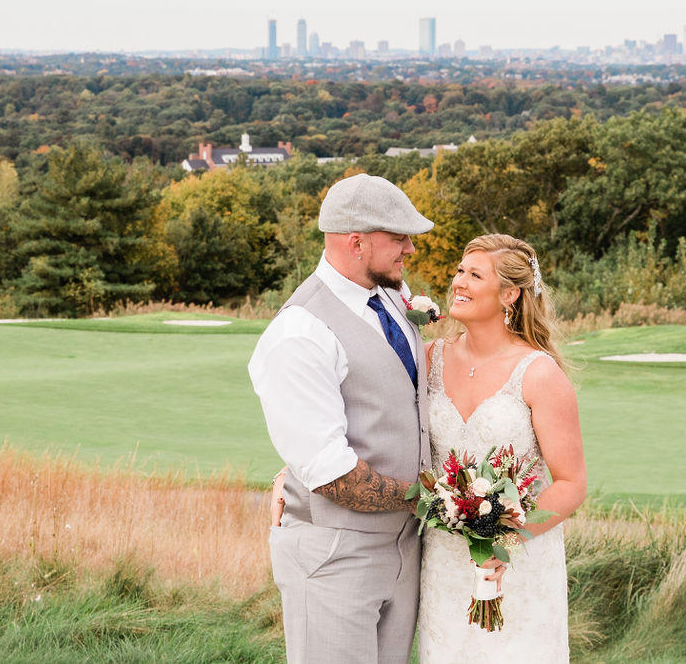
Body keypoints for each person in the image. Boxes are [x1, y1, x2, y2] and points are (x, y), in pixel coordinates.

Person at [249, 173, 434, 664]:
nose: (410, 250)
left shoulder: (391, 296)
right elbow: (332, 475)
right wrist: (438, 501)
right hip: (335, 556)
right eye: (398, 238)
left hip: (402, 549)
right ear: (357, 242)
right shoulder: (299, 334)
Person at [415, 233, 585, 661]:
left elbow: (570, 483)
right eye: (458, 272)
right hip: (445, 561)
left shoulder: (539, 374)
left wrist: (504, 542)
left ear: (509, 293)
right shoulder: (429, 356)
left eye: (474, 275)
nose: (459, 283)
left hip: (519, 561)